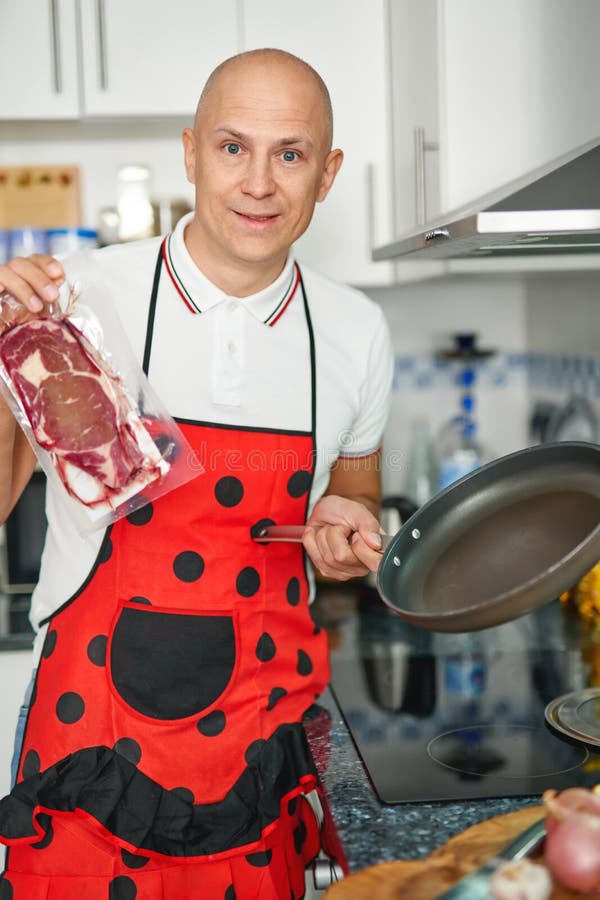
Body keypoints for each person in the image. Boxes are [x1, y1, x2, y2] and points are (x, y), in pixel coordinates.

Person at [0, 48, 393, 899]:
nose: (259, 183)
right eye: (232, 147)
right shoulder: (78, 296)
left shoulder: (357, 332)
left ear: (326, 174)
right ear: (190, 153)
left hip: (261, 750)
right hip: (87, 744)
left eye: (290, 154)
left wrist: (346, 519)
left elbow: (356, 492)